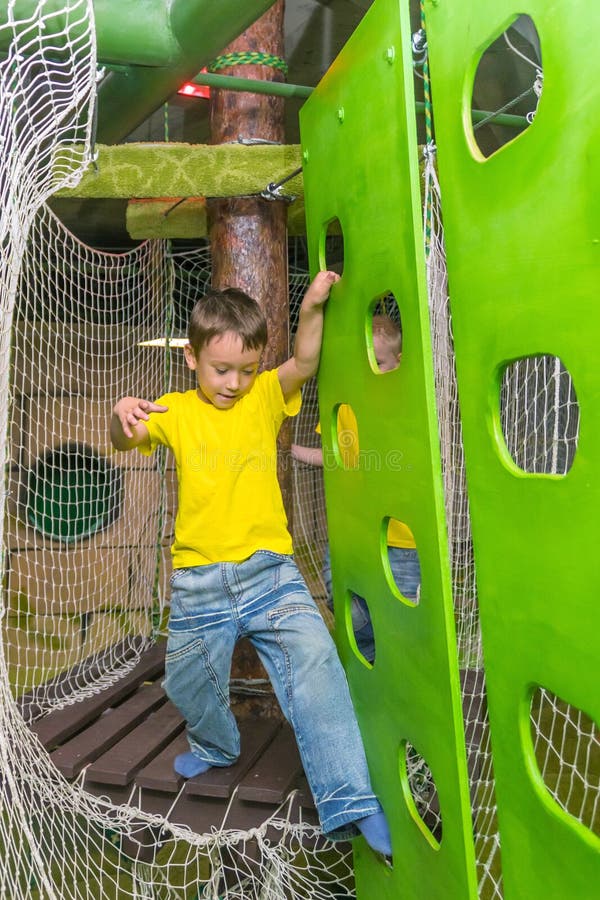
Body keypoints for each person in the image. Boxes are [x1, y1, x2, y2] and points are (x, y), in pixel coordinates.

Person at [110, 272, 392, 857]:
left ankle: (351, 798)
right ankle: (216, 746)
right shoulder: (177, 412)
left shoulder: (264, 395)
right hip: (199, 584)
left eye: (246, 369)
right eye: (220, 370)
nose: (234, 383)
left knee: (315, 667)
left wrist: (312, 306)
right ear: (191, 359)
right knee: (188, 678)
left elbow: (305, 362)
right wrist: (121, 414)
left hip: (271, 576)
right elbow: (122, 440)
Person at [292, 314, 421, 664]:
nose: (369, 371)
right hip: (352, 533)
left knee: (402, 618)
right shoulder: (346, 407)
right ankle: (369, 670)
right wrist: (290, 451)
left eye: (378, 363)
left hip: (400, 536)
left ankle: (397, 675)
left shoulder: (408, 403)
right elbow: (334, 456)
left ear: (398, 362)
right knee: (345, 604)